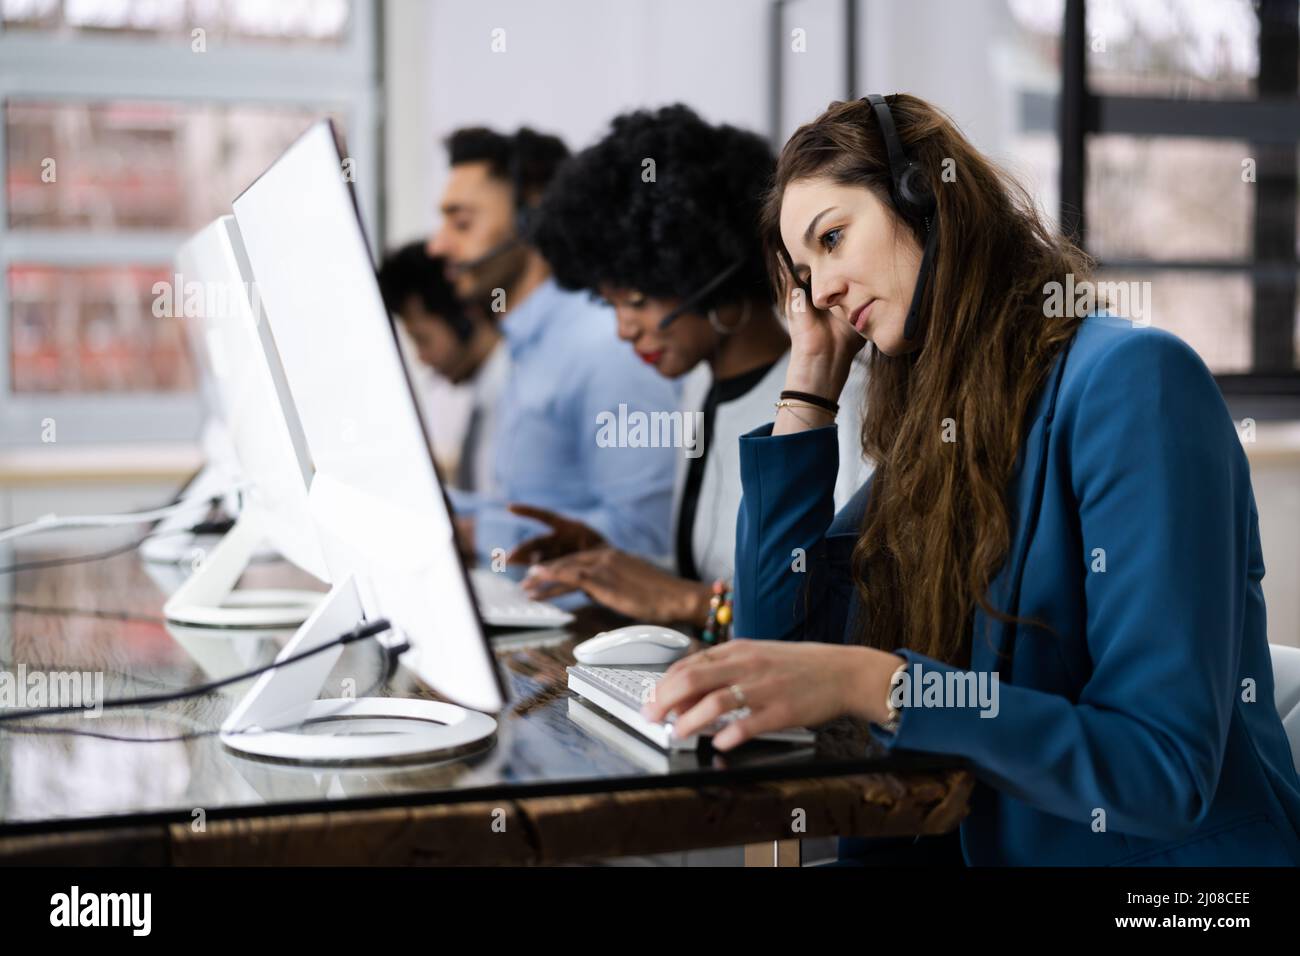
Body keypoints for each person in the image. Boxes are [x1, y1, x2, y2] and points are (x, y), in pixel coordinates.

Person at [642, 93, 1300, 866]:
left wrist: (880, 684)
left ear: (925, 198)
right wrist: (811, 382)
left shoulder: (1132, 384)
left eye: (832, 239)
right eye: (802, 273)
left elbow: (1158, 770)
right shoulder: (945, 433)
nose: (819, 292)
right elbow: (776, 648)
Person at [514, 104, 871, 630]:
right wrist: (609, 561)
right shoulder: (700, 384)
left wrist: (693, 604)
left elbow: (831, 619)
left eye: (636, 300)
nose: (623, 329)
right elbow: (717, 570)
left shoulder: (845, 394)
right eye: (609, 304)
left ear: (708, 271)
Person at [427, 127, 679, 564]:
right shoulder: (527, 347)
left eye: (462, 222)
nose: (438, 245)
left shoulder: (605, 347)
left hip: (590, 626)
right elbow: (534, 506)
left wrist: (476, 534)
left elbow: (645, 538)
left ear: (532, 217)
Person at [377, 242, 507, 494]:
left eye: (422, 339)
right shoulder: (490, 393)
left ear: (465, 317)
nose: (421, 358)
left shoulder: (511, 395)